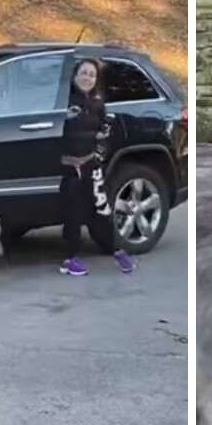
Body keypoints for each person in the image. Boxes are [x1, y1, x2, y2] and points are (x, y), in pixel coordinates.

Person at [58, 58, 136, 276]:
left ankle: (116, 250)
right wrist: (95, 134)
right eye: (83, 73)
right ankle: (70, 259)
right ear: (74, 76)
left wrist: (103, 137)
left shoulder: (98, 102)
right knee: (72, 214)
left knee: (102, 211)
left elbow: (104, 132)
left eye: (92, 74)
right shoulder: (64, 101)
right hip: (70, 167)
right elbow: (67, 133)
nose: (87, 78)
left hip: (92, 165)